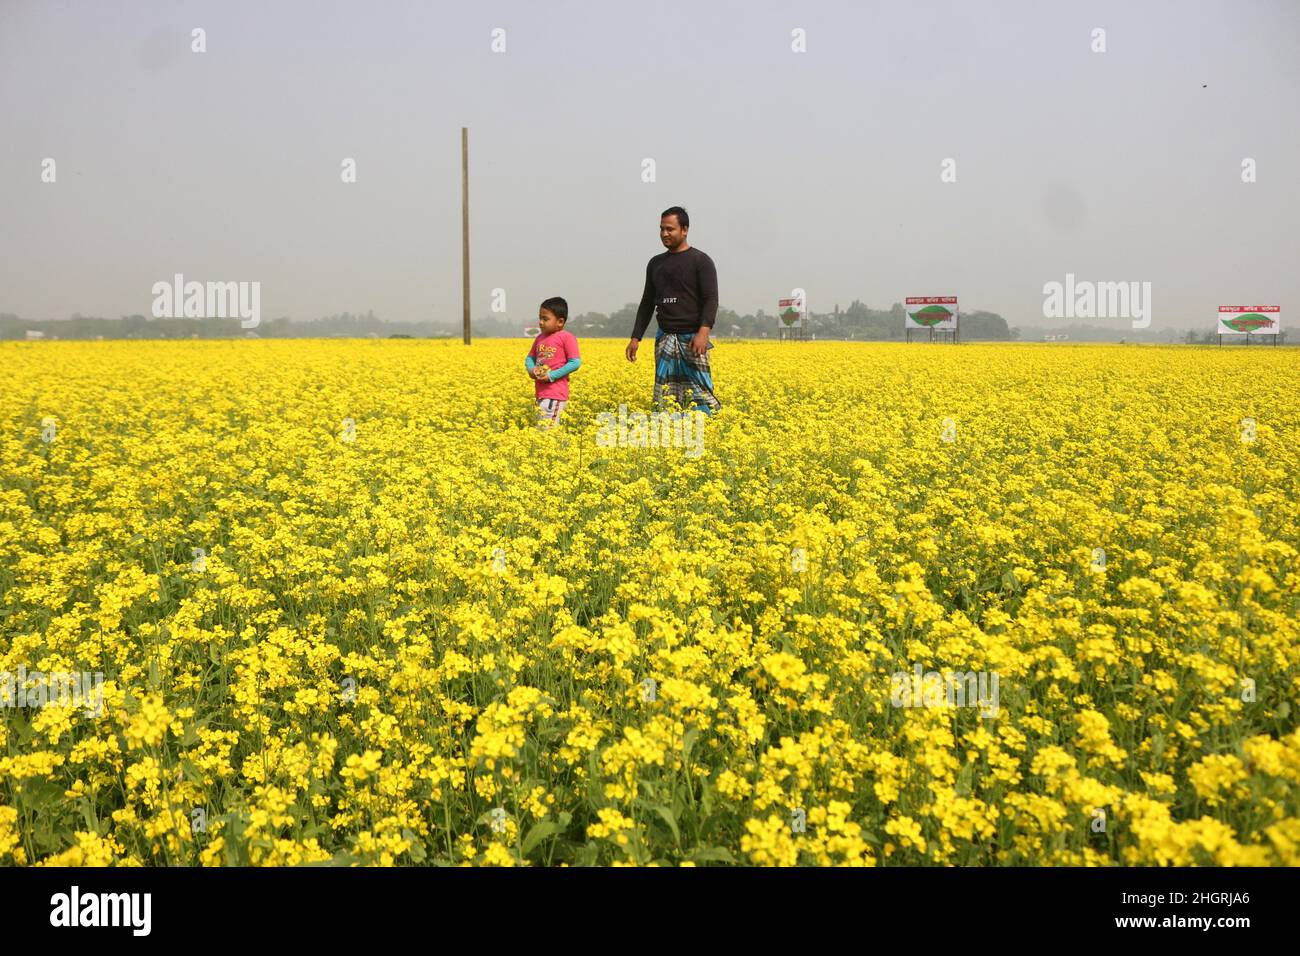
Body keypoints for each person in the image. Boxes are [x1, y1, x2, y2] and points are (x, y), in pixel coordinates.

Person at [625, 206, 721, 414]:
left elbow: (711, 299)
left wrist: (703, 333)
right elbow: (647, 302)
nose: (664, 234)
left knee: (700, 392)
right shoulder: (656, 263)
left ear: (685, 229)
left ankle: (706, 431)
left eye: (670, 229)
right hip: (665, 337)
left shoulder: (700, 261)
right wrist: (635, 337)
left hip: (693, 338)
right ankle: (670, 436)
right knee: (666, 395)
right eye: (661, 229)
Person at [526, 297, 581, 428]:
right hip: (540, 392)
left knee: (548, 432)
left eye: (545, 319)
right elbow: (529, 358)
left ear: (560, 322)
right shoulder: (540, 338)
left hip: (555, 394)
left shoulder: (566, 337)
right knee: (541, 431)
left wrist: (551, 376)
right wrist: (532, 370)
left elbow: (575, 362)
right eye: (540, 318)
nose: (540, 322)